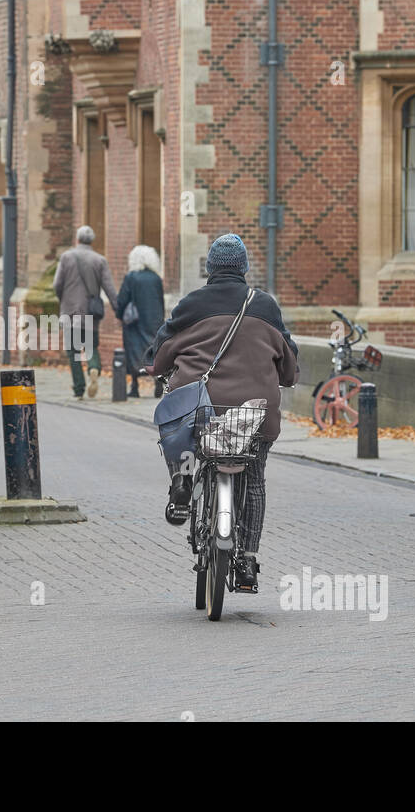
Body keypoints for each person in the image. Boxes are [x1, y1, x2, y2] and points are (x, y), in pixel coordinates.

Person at [147, 234, 298, 591]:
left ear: (210, 268)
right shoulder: (265, 306)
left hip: (204, 408)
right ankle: (247, 561)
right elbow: (289, 366)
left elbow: (161, 354)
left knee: (181, 433)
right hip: (254, 414)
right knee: (255, 479)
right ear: (244, 268)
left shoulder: (191, 304)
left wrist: (155, 366)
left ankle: (183, 477)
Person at [52, 225, 117, 399]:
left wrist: (63, 299)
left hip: (70, 312)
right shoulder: (100, 260)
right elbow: (109, 288)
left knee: (73, 351)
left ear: (78, 239)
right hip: (90, 312)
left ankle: (79, 388)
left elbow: (57, 284)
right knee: (90, 346)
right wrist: (117, 307)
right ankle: (93, 368)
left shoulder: (66, 257)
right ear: (92, 241)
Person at [115, 245, 166, 398]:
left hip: (135, 322)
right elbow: (160, 300)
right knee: (154, 350)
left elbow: (122, 299)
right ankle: (157, 383)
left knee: (133, 351)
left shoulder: (131, 277)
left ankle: (135, 386)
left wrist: (119, 315)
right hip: (154, 320)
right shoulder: (156, 278)